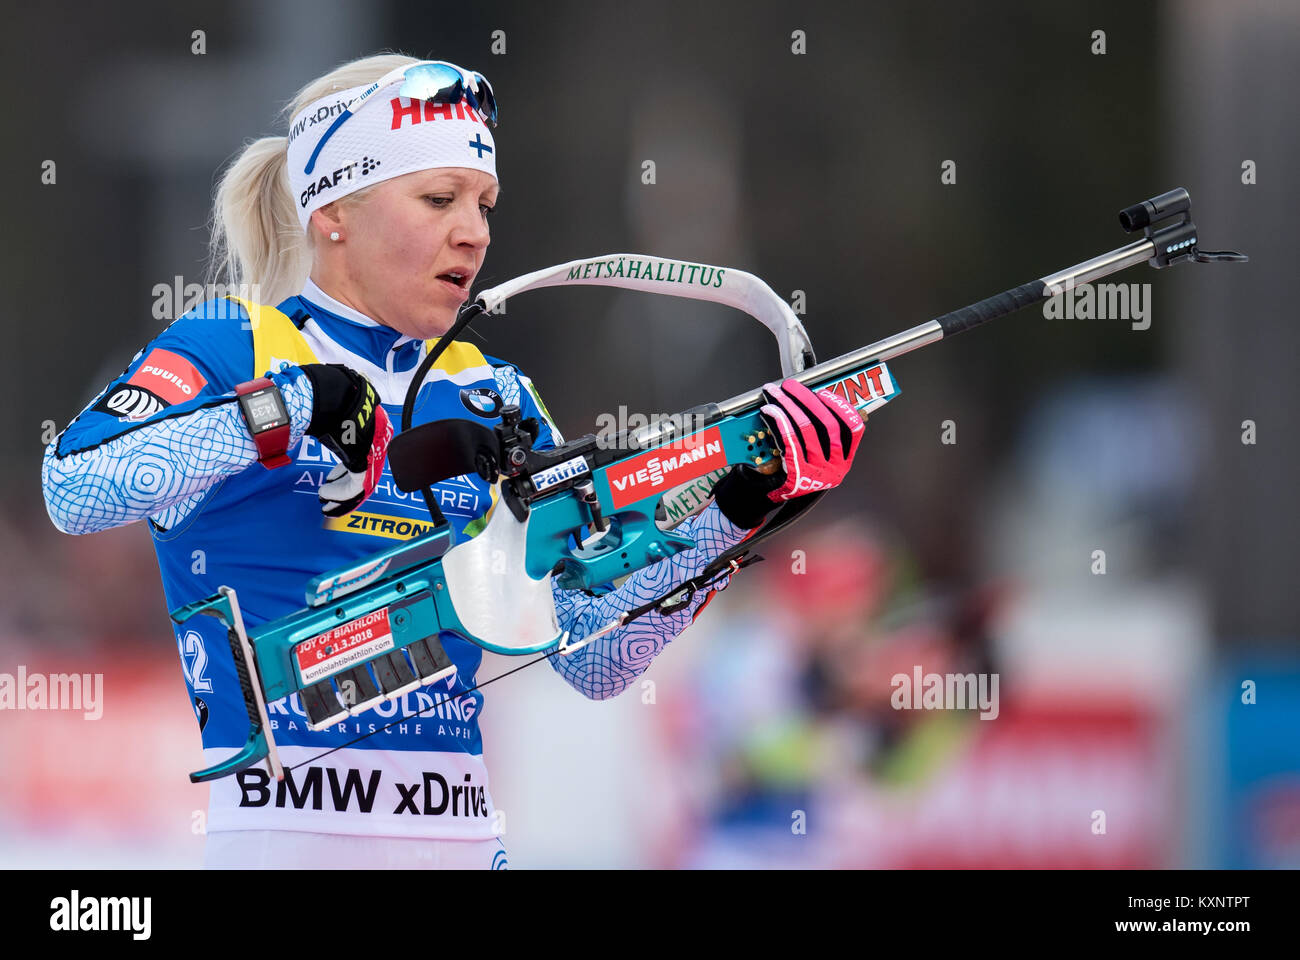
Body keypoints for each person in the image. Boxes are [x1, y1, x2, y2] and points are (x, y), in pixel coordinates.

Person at [40, 53, 865, 869]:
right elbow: (75, 487)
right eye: (438, 199)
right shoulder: (237, 342)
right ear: (333, 210)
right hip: (284, 842)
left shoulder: (490, 392)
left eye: (484, 203)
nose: (472, 230)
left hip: (465, 840)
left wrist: (737, 510)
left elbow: (591, 656)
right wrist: (290, 409)